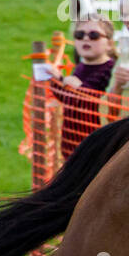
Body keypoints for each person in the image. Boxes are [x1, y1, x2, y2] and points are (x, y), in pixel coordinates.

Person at [46, 14, 116, 156]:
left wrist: (78, 86)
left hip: (97, 146)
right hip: (72, 146)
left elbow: (98, 101)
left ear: (109, 43)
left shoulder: (111, 68)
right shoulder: (80, 67)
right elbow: (69, 98)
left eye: (94, 35)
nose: (86, 38)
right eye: (79, 35)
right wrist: (54, 80)